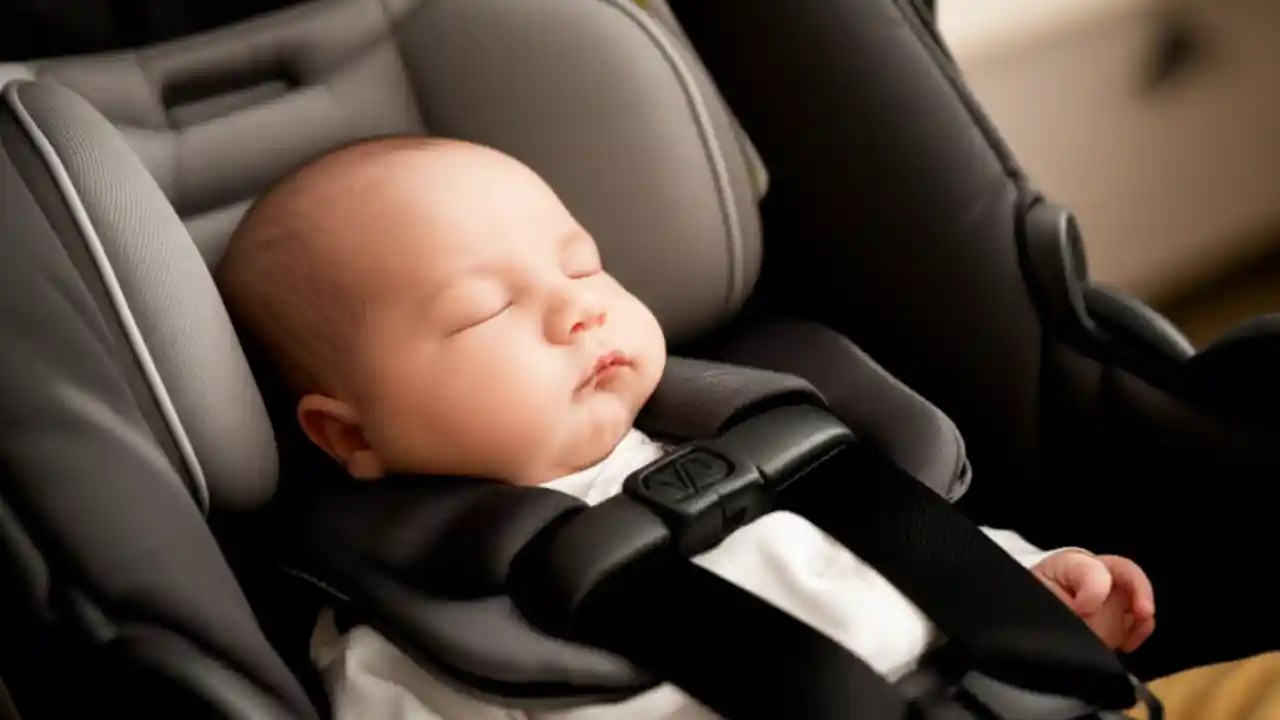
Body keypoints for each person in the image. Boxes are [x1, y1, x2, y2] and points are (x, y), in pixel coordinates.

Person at [216, 136, 1156, 719]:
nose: (576, 310)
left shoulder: (762, 449)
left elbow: (906, 561)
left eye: (583, 268)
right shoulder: (415, 628)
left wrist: (1038, 584)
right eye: (480, 312)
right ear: (347, 436)